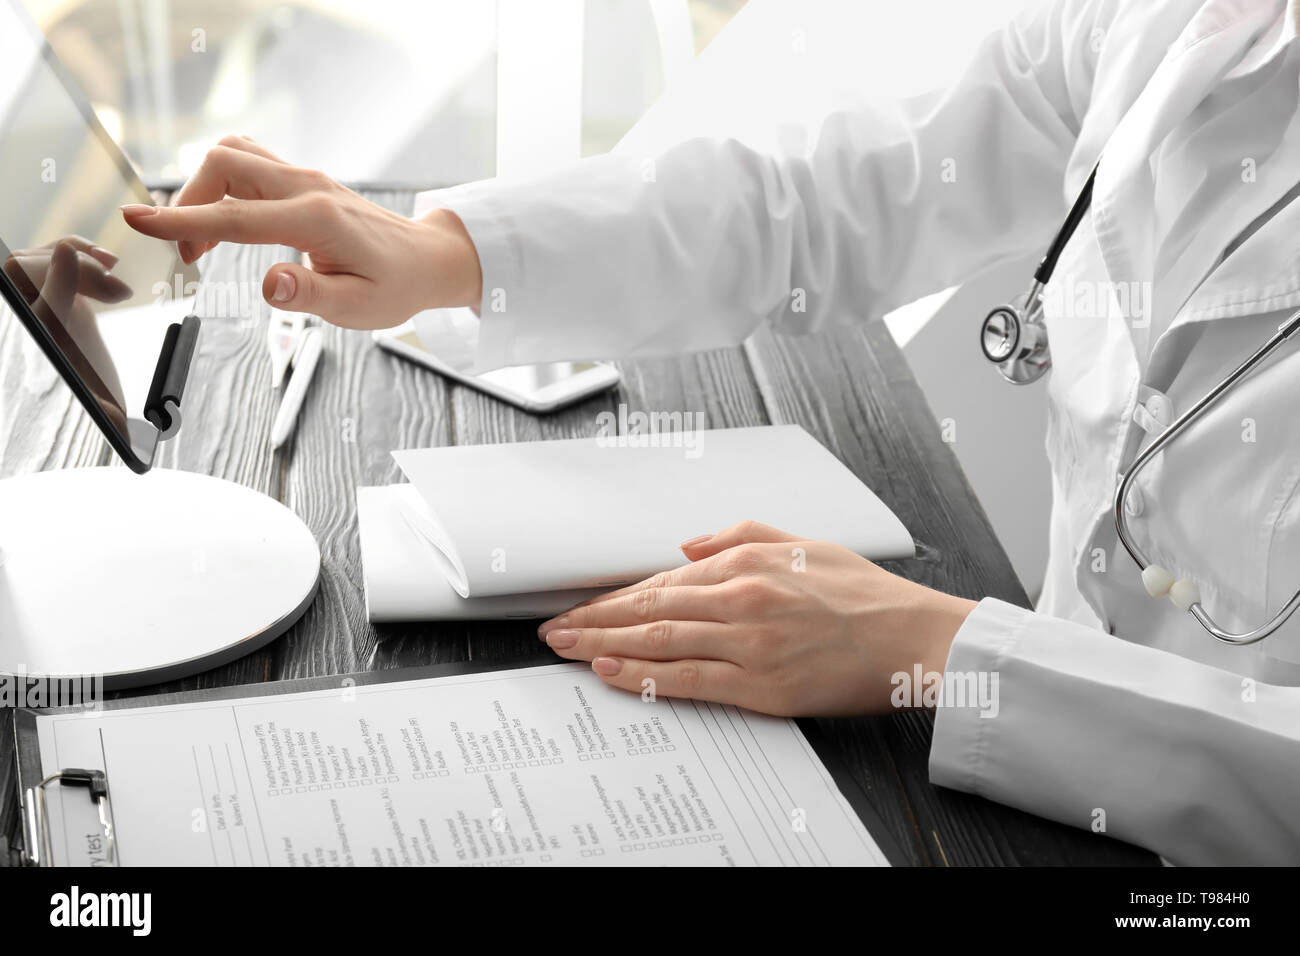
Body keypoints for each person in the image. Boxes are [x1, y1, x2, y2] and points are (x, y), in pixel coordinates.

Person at [123, 0, 1300, 865]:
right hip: (1018, 800)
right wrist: (451, 255)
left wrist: (946, 655)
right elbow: (821, 197)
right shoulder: (1181, 22)